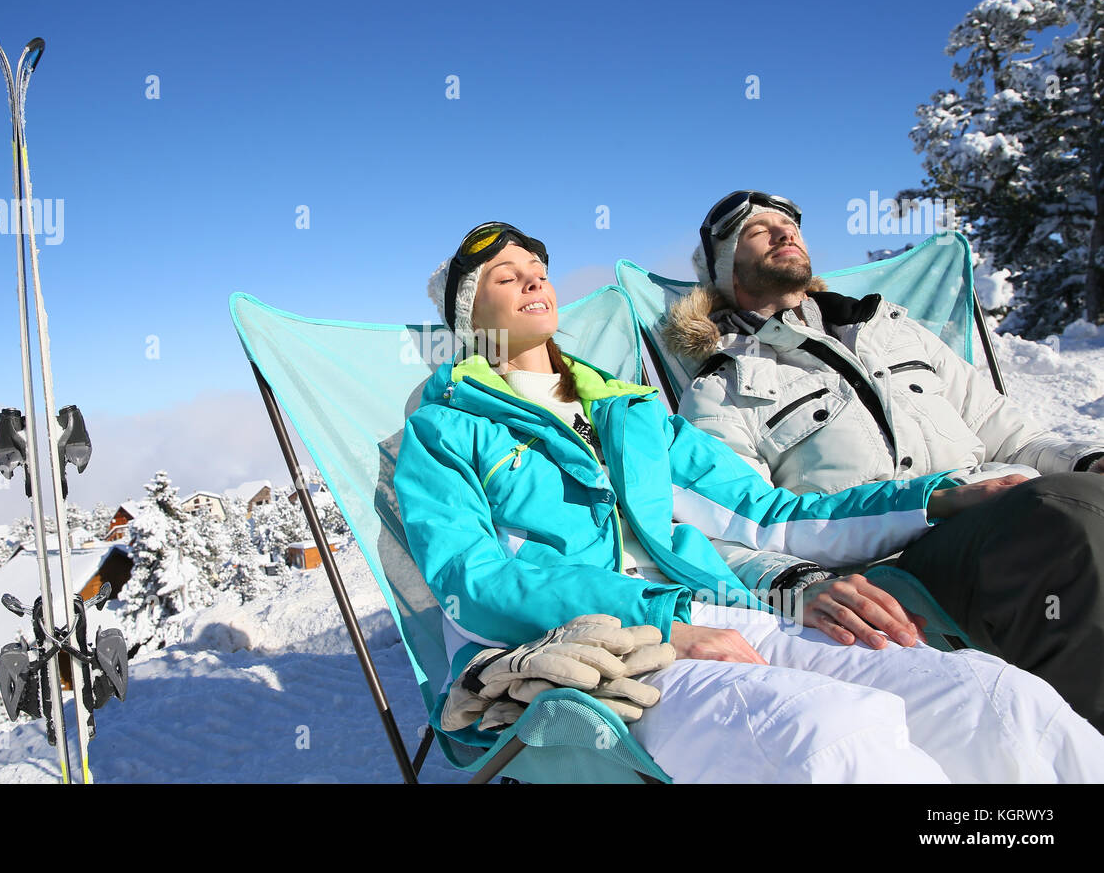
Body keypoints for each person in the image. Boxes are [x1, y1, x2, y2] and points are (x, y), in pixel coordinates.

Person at [392, 221, 1104, 782]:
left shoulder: (633, 413)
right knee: (834, 737)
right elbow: (471, 580)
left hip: (724, 612)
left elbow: (770, 515)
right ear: (468, 316)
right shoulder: (444, 427)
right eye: (505, 277)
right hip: (593, 653)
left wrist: (938, 498)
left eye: (539, 272)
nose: (534, 282)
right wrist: (661, 626)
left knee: (1001, 703)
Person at [665, 190, 1104, 730]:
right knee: (1066, 515)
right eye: (759, 231)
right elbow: (728, 527)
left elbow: (1006, 430)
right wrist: (799, 582)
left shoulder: (890, 329)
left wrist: (1088, 462)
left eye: (789, 224)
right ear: (725, 269)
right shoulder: (721, 388)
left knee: (1079, 497)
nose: (785, 233)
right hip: (897, 561)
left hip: (1009, 506)